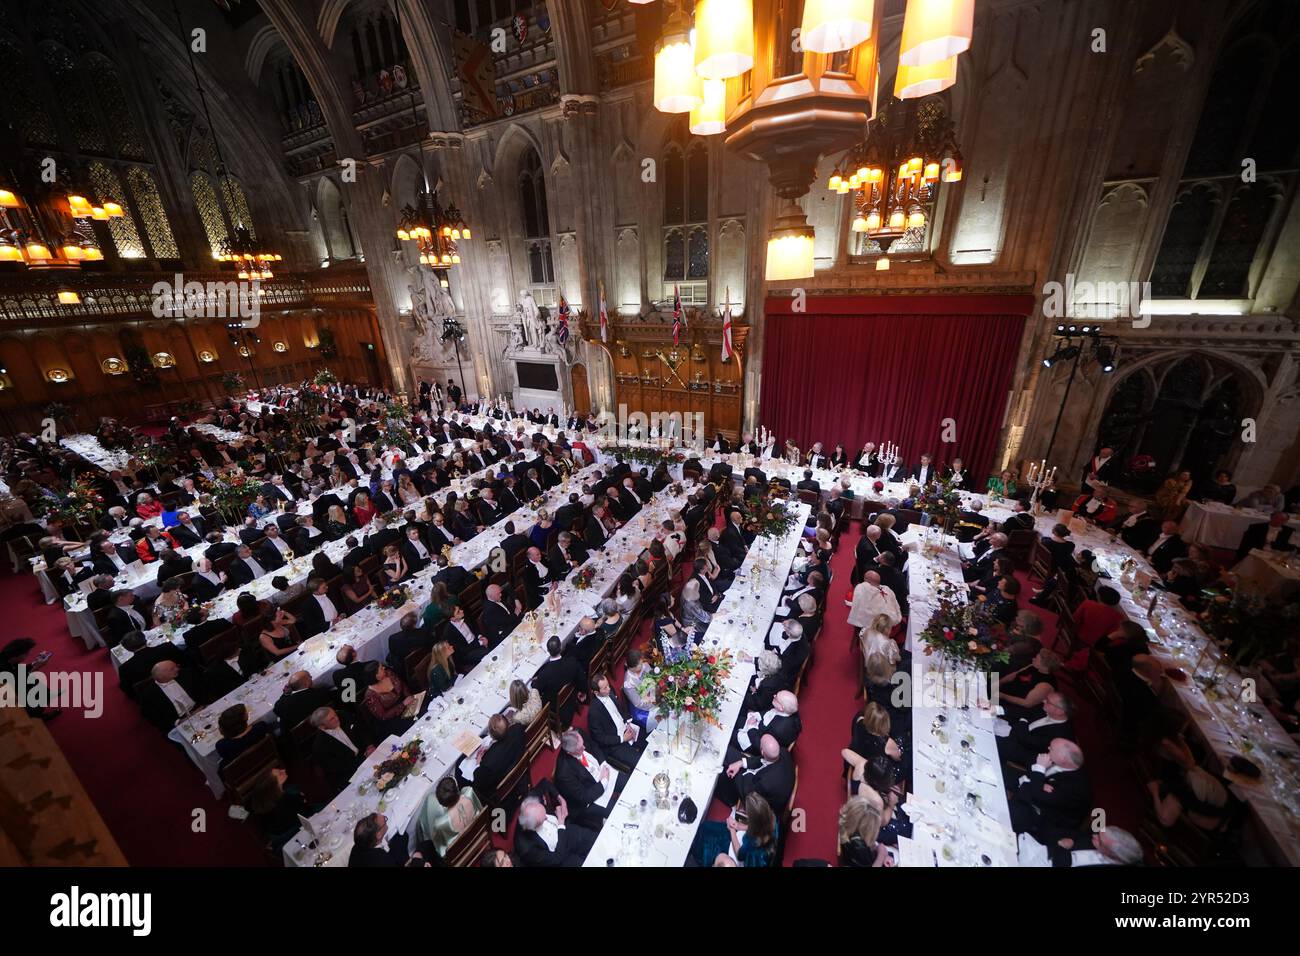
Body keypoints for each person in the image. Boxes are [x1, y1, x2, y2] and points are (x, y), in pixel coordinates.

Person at [1007, 738, 1092, 844]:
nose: (1048, 748)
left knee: (1007, 811)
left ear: (1062, 759)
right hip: (1033, 790)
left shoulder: (1075, 787)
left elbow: (1037, 796)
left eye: (1051, 748)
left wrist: (1040, 769)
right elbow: (1038, 788)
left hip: (1044, 817)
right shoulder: (1062, 762)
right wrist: (1039, 780)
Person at [692, 792, 779, 867]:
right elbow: (758, 826)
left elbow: (739, 854)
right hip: (740, 837)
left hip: (735, 856)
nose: (744, 812)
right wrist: (739, 826)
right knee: (706, 826)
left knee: (704, 845)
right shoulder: (772, 818)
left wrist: (732, 830)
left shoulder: (754, 847)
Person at [513, 793, 598, 867]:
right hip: (559, 856)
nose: (547, 817)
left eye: (545, 813)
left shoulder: (531, 802)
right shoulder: (527, 849)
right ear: (533, 827)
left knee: (597, 840)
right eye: (543, 820)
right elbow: (557, 859)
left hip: (566, 832)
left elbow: (545, 783)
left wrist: (561, 800)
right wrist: (561, 823)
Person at [417, 776, 483, 858]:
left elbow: (441, 850)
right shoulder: (469, 792)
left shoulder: (441, 823)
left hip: (460, 850)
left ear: (442, 804)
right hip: (477, 831)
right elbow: (480, 809)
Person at [587, 674, 644, 769]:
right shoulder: (594, 712)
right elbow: (600, 738)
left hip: (627, 730)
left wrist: (628, 724)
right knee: (640, 763)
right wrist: (622, 738)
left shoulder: (610, 691)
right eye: (604, 688)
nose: (609, 689)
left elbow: (620, 710)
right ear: (596, 693)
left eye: (608, 685)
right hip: (616, 743)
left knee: (650, 743)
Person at [838, 791, 893, 867]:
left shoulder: (849, 824)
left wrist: (879, 851)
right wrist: (881, 855)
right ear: (867, 828)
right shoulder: (858, 847)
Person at [362, 663, 416, 738]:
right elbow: (383, 716)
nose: (384, 668)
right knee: (413, 725)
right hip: (392, 718)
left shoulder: (388, 673)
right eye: (381, 668)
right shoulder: (370, 695)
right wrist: (403, 705)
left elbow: (402, 685)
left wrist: (409, 696)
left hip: (405, 702)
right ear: (377, 676)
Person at [215, 703, 272, 767]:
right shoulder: (260, 727)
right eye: (246, 713)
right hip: (267, 760)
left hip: (243, 770)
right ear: (245, 718)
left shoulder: (222, 745)